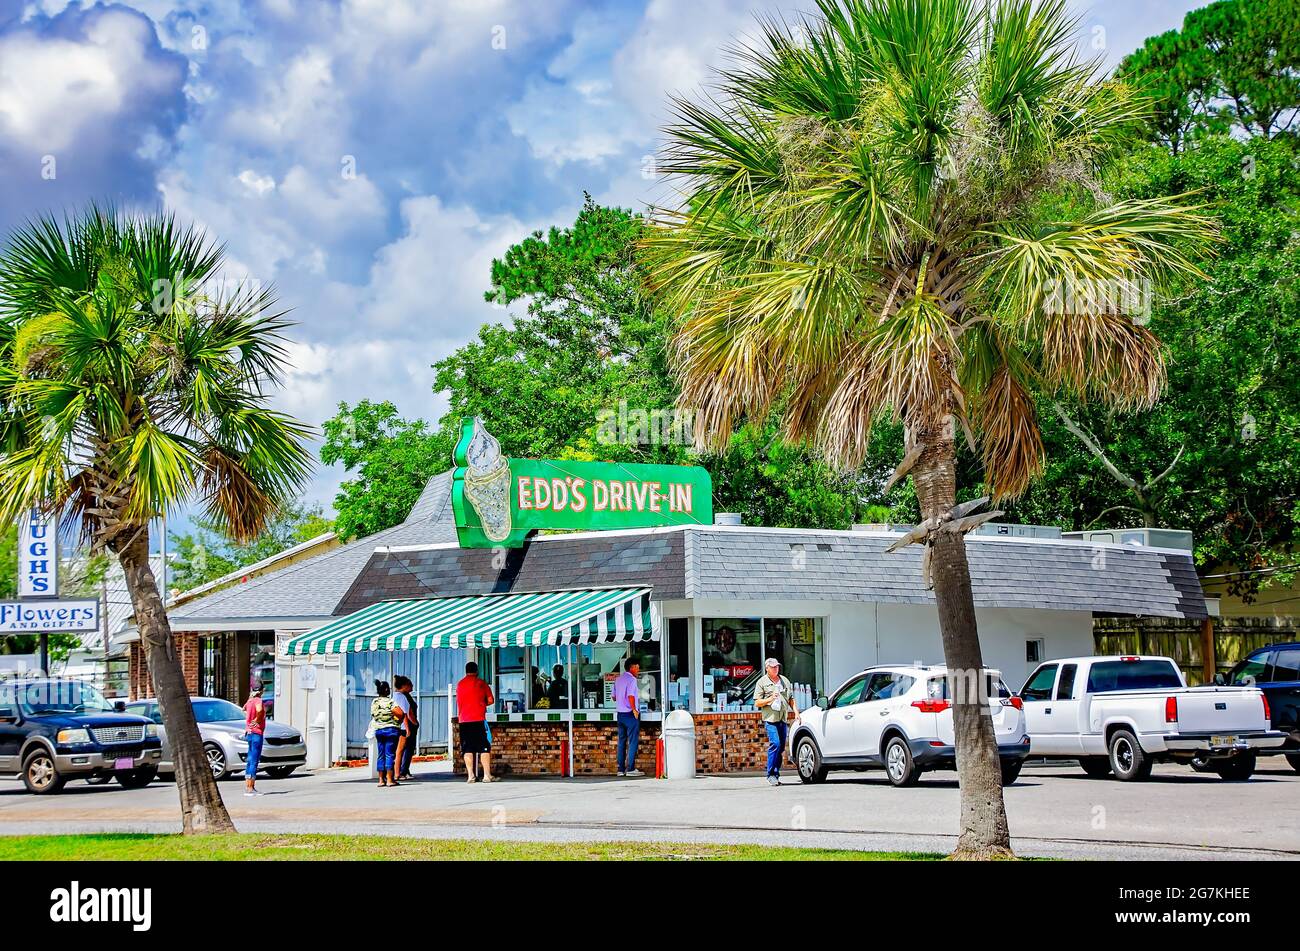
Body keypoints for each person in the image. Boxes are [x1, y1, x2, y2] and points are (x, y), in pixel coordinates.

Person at [753, 657, 799, 786]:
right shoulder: (762, 682)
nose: (775, 669)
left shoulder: (785, 681)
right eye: (773, 667)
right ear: (767, 668)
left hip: (782, 718)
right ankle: (771, 774)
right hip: (770, 719)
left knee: (781, 747)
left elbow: (791, 698)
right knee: (775, 743)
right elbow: (757, 702)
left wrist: (796, 712)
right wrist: (770, 699)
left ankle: (776, 773)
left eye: (777, 666)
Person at [456, 661, 495, 783]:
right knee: (484, 748)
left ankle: (471, 776)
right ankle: (487, 776)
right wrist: (482, 703)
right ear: (477, 670)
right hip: (478, 719)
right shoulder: (481, 683)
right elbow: (491, 700)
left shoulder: (460, 684)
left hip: (464, 721)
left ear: (466, 671)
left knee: (467, 749)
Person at [370, 680, 405, 788]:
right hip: (391, 730)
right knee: (389, 754)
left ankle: (381, 780)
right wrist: (398, 721)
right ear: (386, 690)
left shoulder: (375, 702)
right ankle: (390, 779)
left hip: (379, 730)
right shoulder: (390, 702)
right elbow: (400, 713)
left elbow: (374, 715)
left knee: (381, 754)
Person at [613, 659, 642, 777]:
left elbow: (614, 697)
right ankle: (630, 769)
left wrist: (621, 698)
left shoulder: (618, 679)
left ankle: (620, 769)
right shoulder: (632, 680)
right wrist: (634, 709)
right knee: (633, 741)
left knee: (621, 742)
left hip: (620, 714)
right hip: (630, 714)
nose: (638, 670)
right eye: (637, 667)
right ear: (631, 667)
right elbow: (631, 695)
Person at [392, 675, 419, 781]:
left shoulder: (397, 696)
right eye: (410, 685)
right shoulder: (402, 697)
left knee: (400, 750)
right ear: (404, 686)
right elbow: (406, 714)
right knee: (403, 750)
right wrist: (414, 724)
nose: (411, 687)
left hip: (399, 726)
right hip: (405, 727)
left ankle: (401, 771)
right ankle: (400, 772)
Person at [243, 685, 267, 797]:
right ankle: (250, 788)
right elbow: (260, 710)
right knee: (254, 760)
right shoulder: (258, 701)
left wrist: (249, 721)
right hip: (257, 732)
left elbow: (243, 709)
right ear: (261, 691)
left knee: (250, 759)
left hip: (249, 732)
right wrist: (257, 719)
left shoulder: (250, 701)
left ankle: (247, 785)